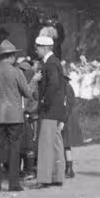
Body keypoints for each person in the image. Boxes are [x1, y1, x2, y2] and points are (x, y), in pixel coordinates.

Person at [0, 41, 31, 192]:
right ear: (12, 56)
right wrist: (33, 83)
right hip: (15, 117)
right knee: (14, 150)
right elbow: (27, 93)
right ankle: (13, 183)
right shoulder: (17, 72)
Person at [34, 35, 68, 188]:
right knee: (56, 143)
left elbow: (53, 85)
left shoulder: (50, 64)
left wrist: (43, 100)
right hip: (57, 109)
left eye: (37, 47)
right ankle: (57, 176)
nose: (36, 50)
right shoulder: (54, 62)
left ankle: (45, 178)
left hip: (49, 109)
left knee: (46, 145)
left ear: (45, 48)